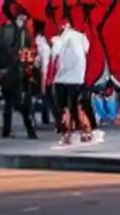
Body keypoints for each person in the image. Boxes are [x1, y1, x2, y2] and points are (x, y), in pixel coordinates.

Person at [50, 14, 93, 146]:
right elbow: (86, 49)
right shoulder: (81, 36)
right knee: (77, 107)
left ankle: (67, 134)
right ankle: (85, 132)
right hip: (78, 77)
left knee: (64, 108)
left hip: (62, 78)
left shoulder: (60, 38)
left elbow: (55, 52)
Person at [0, 9, 39, 140]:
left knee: (13, 104)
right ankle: (26, 130)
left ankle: (12, 130)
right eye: (22, 18)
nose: (23, 21)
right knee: (15, 105)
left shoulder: (24, 33)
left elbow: (27, 49)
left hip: (19, 73)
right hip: (12, 73)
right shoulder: (9, 32)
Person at [32, 19, 55, 125]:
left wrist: (43, 81)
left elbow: (44, 61)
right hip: (47, 72)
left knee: (46, 95)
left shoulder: (39, 42)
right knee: (48, 96)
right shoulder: (46, 40)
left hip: (42, 72)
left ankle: (49, 117)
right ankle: (47, 117)